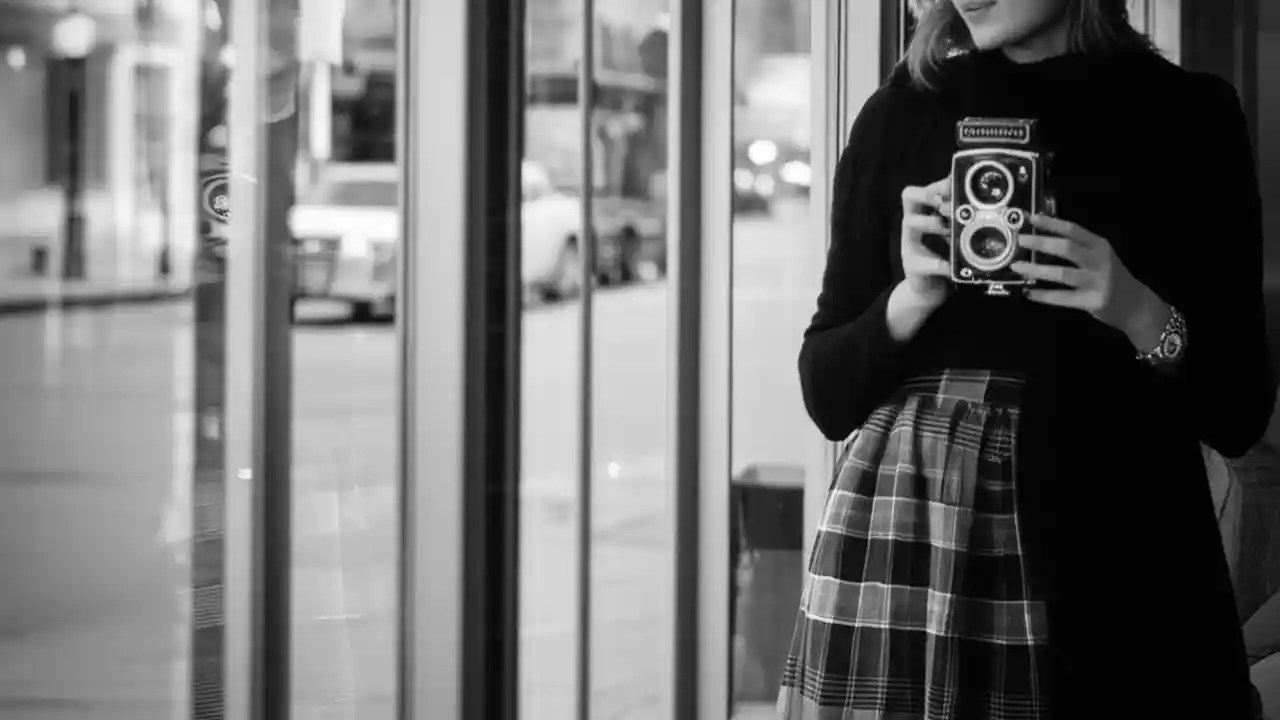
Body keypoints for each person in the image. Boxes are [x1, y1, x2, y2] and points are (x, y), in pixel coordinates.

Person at [777, 0, 1275, 718]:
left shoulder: (1189, 117)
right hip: (910, 551)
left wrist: (1136, 309)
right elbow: (826, 394)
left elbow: (1239, 411)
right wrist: (911, 298)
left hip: (1119, 574)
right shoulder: (900, 114)